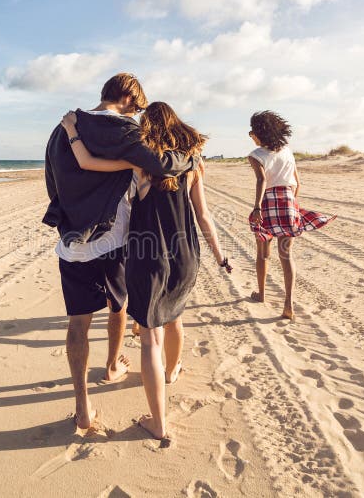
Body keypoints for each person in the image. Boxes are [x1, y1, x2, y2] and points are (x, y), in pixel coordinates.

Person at [60, 102, 232, 444]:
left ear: (147, 130)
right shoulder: (193, 165)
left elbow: (88, 163)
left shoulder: (140, 166)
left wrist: (72, 133)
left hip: (147, 255)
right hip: (186, 254)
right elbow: (204, 216)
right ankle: (171, 372)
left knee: (150, 338)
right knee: (176, 318)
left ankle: (159, 423)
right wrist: (220, 254)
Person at [43, 74, 199, 431]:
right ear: (128, 96)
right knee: (119, 305)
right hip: (113, 239)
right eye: (137, 107)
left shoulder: (61, 129)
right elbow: (161, 164)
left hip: (72, 240)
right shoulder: (123, 131)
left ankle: (82, 408)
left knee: (78, 323)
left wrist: (68, 220)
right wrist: (190, 161)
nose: (137, 116)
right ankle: (113, 366)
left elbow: (52, 180)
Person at [247, 111, 335, 319]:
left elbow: (262, 181)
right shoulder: (287, 151)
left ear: (258, 133)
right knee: (286, 255)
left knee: (263, 252)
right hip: (288, 201)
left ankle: (261, 294)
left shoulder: (255, 155)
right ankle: (288, 305)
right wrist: (291, 203)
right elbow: (298, 183)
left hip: (267, 203)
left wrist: (257, 207)